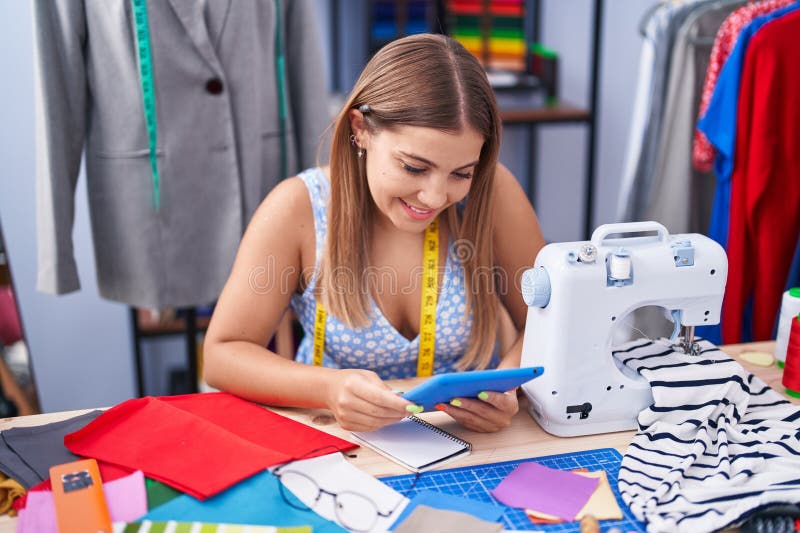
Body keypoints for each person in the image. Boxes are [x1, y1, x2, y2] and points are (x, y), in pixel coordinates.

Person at [204, 33, 545, 433]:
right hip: (339, 445)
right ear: (361, 128)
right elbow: (222, 355)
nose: (435, 196)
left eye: (461, 173)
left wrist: (507, 390)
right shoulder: (298, 208)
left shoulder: (493, 191)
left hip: (471, 444)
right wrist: (328, 389)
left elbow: (548, 322)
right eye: (414, 167)